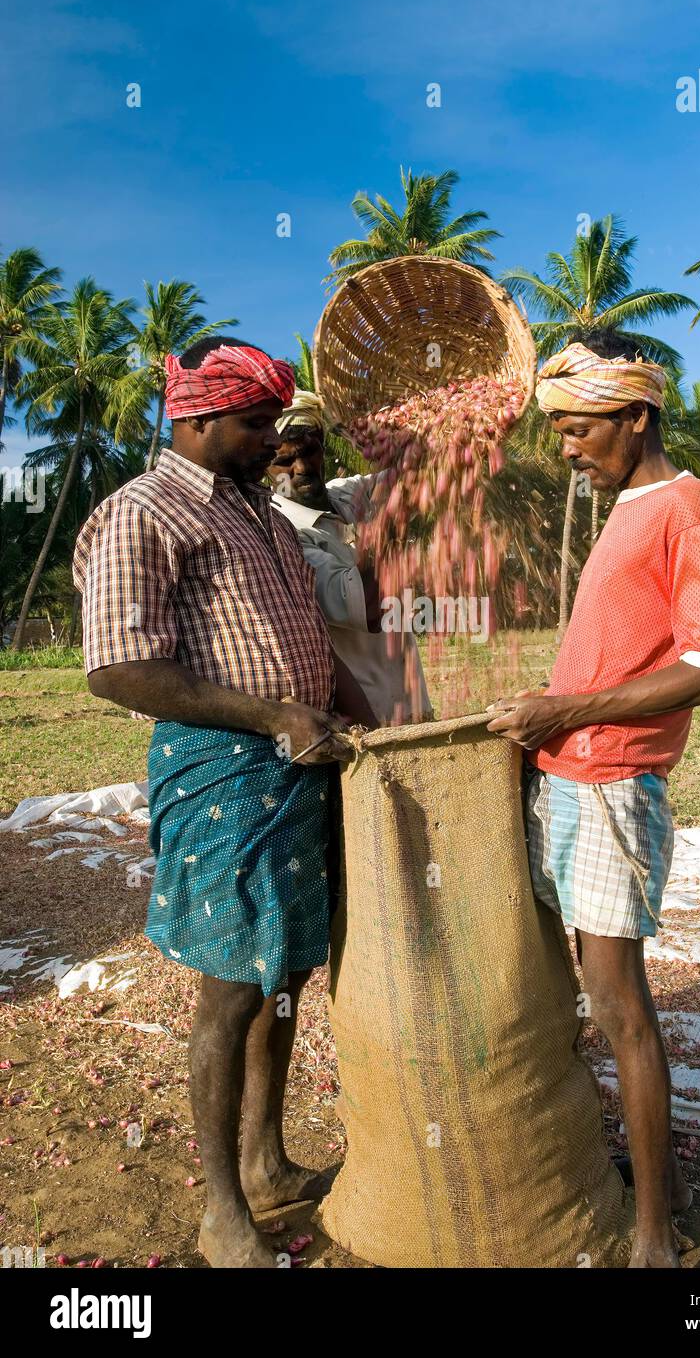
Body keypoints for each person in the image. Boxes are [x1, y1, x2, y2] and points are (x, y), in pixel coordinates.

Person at [72, 337, 375, 1269]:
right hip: (223, 773)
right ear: (196, 419)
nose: (270, 442)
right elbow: (119, 668)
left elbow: (314, 649)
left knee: (283, 973)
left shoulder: (264, 516)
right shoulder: (143, 514)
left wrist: (360, 717)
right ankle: (222, 1209)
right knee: (233, 988)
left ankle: (267, 1158)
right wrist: (268, 714)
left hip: (300, 761)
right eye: (254, 425)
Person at [486, 332, 700, 1269]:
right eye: (557, 429)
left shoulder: (686, 507)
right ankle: (656, 1182)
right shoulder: (629, 506)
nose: (565, 448)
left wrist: (568, 708)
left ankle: (651, 1238)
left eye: (580, 428)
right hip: (568, 778)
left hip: (611, 787)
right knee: (588, 996)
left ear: (637, 415)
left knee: (619, 1005)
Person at [268, 391, 431, 725]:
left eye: (308, 452)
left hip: (409, 696)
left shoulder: (346, 494)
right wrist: (387, 522)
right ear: (264, 466)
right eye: (283, 461)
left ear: (322, 445)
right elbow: (371, 607)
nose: (300, 469)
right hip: (364, 716)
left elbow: (419, 473)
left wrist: (410, 436)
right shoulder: (282, 534)